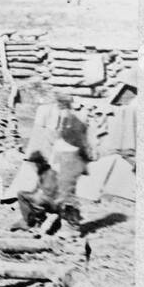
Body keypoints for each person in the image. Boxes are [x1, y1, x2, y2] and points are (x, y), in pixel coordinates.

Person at [50, 93, 94, 229]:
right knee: (63, 193)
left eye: (60, 105)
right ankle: (65, 224)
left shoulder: (72, 120)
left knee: (66, 194)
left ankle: (72, 228)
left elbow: (77, 143)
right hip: (67, 158)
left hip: (70, 159)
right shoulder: (66, 119)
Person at [11, 150, 61, 232]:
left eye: (33, 165)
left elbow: (49, 192)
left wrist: (33, 197)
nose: (32, 167)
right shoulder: (43, 173)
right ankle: (32, 220)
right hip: (48, 200)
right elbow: (36, 190)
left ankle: (33, 221)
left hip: (53, 202)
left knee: (32, 197)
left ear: (38, 164)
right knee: (22, 194)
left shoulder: (50, 173)